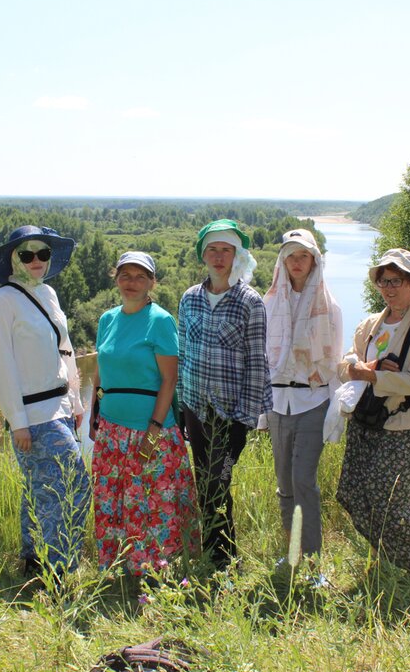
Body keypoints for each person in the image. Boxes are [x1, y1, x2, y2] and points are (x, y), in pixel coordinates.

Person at [0, 225, 91, 577]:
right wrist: (18, 421)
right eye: (27, 255)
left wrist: (75, 401)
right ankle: (61, 570)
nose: (36, 261)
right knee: (73, 486)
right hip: (33, 414)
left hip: (60, 408)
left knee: (39, 488)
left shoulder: (48, 294)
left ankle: (33, 560)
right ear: (14, 259)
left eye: (43, 253)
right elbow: (2, 364)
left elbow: (65, 349)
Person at [89, 251, 197, 577]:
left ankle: (157, 570)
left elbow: (169, 380)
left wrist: (153, 429)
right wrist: (94, 414)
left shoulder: (160, 321)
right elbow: (100, 373)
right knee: (114, 498)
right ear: (116, 279)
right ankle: (120, 563)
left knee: (152, 502)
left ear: (152, 282)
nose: (131, 282)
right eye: (125, 275)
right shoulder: (107, 320)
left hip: (149, 430)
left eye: (140, 276)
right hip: (111, 430)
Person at [335, 248, 410, 572]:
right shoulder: (371, 323)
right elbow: (344, 366)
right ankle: (383, 561)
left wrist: (371, 375)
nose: (389, 288)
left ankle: (407, 571)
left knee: (397, 508)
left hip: (400, 430)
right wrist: (366, 368)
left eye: (396, 281)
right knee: (356, 495)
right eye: (383, 281)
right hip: (364, 424)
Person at [177, 219, 272, 570]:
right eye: (213, 250)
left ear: (236, 255)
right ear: (203, 255)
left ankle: (223, 559)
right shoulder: (190, 298)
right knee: (204, 482)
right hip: (195, 408)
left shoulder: (250, 302)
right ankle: (216, 554)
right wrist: (181, 407)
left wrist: (243, 422)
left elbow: (257, 364)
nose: (219, 257)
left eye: (226, 250)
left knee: (218, 481)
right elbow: (183, 354)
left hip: (230, 414)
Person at [261, 229, 344, 562]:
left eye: (304, 256)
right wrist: (262, 411)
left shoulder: (329, 307)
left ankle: (311, 559)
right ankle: (291, 553)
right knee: (285, 483)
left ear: (314, 260)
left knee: (303, 480)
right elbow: (261, 360)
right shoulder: (269, 304)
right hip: (279, 403)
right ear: (283, 260)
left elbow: (334, 362)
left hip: (313, 401)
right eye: (291, 256)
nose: (297, 262)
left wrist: (336, 412)